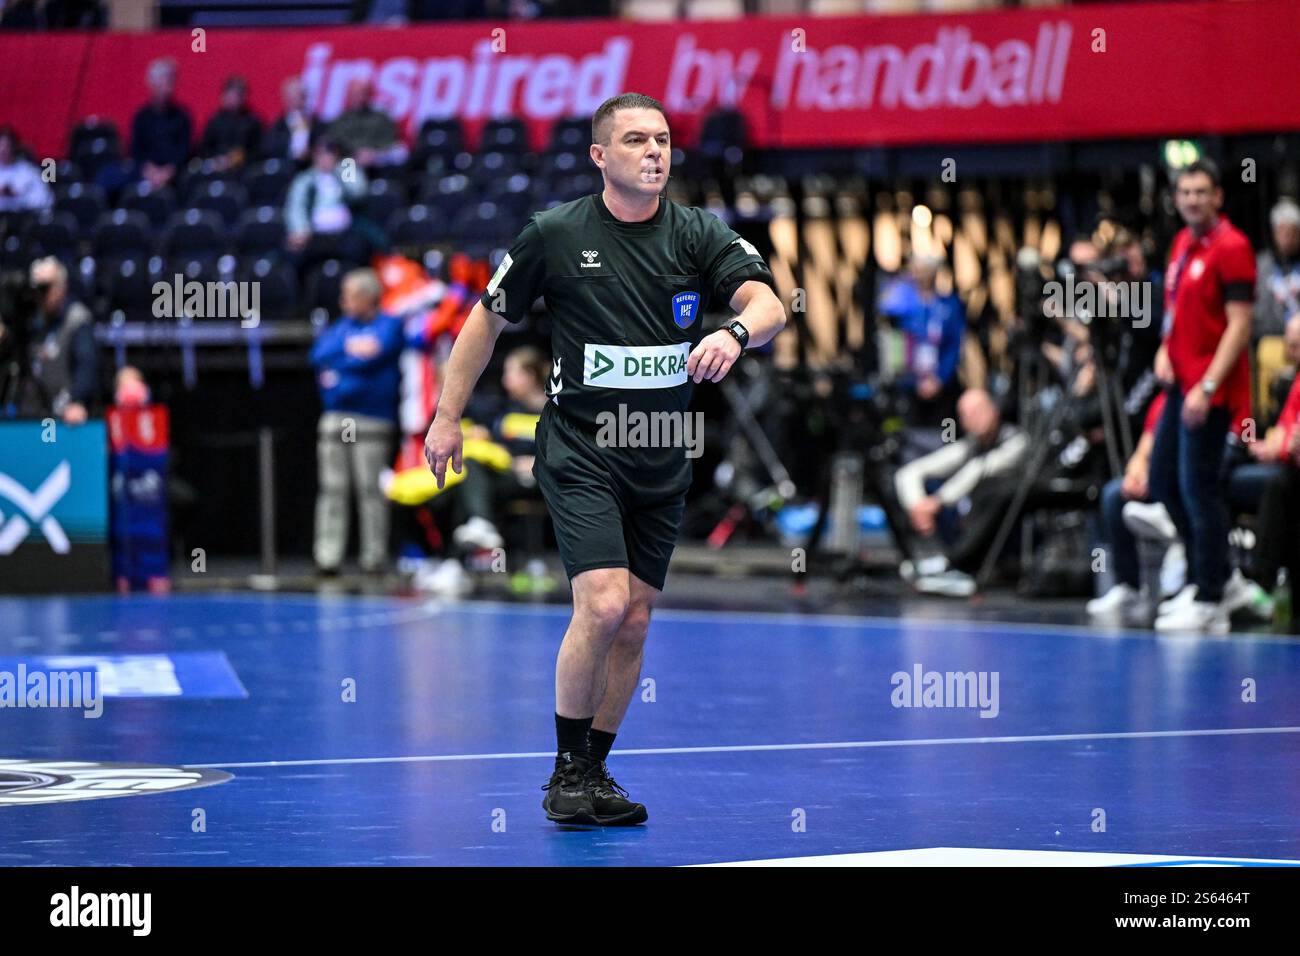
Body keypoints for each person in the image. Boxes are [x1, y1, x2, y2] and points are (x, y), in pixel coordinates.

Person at [423, 92, 784, 826]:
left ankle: (595, 771)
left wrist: (737, 332)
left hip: (662, 456)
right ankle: (563, 772)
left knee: (639, 618)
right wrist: (446, 417)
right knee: (606, 602)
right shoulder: (554, 234)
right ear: (600, 156)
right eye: (635, 141)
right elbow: (484, 323)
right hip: (583, 450)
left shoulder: (695, 233)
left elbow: (769, 300)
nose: (655, 152)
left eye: (662, 140)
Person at [1149, 159, 1256, 633]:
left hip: (1210, 393)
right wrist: (1164, 350)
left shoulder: (1233, 248)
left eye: (1201, 192)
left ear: (1218, 197)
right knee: (1164, 483)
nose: (1192, 199)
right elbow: (1175, 309)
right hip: (1180, 384)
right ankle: (1211, 575)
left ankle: (1212, 597)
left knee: (1199, 488)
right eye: (1185, 192)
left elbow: (1241, 326)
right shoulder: (1181, 244)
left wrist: (1208, 385)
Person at [310, 268, 404, 575]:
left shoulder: (389, 325)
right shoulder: (342, 328)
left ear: (367, 297)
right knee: (332, 489)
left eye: (349, 295)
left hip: (371, 421)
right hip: (335, 419)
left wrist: (340, 369)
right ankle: (328, 558)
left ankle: (373, 558)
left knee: (370, 490)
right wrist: (351, 351)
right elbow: (318, 355)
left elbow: (376, 355)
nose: (342, 301)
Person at [893, 387, 1030, 596]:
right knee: (929, 485)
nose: (974, 418)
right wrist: (918, 506)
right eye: (967, 414)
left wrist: (938, 501)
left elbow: (979, 469)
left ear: (995, 411)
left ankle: (952, 562)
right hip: (969, 526)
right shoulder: (968, 446)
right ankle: (947, 561)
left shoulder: (1017, 441)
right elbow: (910, 473)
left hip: (1010, 530)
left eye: (979, 410)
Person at [877, 252, 965, 426]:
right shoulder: (901, 303)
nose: (921, 275)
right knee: (909, 432)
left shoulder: (949, 305)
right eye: (917, 270)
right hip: (910, 384)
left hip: (942, 385)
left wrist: (940, 379)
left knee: (945, 432)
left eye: (926, 270)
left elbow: (954, 344)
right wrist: (913, 380)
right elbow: (895, 338)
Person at [8, 257, 99, 422]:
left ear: (61, 288)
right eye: (36, 288)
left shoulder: (77, 319)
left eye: (45, 288)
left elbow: (86, 368)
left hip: (66, 415)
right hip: (32, 416)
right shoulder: (30, 322)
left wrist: (76, 401)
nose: (39, 295)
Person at [284, 137, 370, 269]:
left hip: (344, 234)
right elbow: (296, 207)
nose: (324, 158)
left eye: (329, 153)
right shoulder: (305, 179)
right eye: (320, 154)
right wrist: (300, 230)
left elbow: (358, 192)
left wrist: (342, 166)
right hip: (314, 236)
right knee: (294, 256)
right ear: (314, 156)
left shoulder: (344, 171)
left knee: (359, 249)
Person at [128, 58, 191, 192]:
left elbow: (184, 151)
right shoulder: (141, 117)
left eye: (170, 82)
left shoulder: (183, 117)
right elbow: (136, 150)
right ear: (152, 84)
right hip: (145, 174)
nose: (167, 88)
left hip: (175, 177)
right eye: (162, 83)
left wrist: (167, 173)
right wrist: (150, 172)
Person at [327, 79, 408, 169]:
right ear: (348, 95)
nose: (357, 97)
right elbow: (335, 143)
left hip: (378, 163)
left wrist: (374, 153)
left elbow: (391, 141)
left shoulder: (382, 118)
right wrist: (356, 153)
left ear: (368, 95)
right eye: (354, 94)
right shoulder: (340, 121)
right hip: (349, 163)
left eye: (361, 93)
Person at [1253, 199, 1300, 341]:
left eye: (1292, 231)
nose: (1287, 237)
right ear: (1274, 232)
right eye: (1282, 230)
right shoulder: (1260, 264)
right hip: (1269, 340)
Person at [198, 75, 261, 172]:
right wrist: (217, 160)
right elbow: (204, 148)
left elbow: (257, 151)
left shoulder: (253, 122)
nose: (234, 98)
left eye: (239, 94)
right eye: (231, 93)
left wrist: (235, 159)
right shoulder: (214, 121)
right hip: (215, 167)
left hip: (243, 170)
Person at [262, 76, 320, 167]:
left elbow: (323, 146)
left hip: (310, 168)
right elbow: (269, 150)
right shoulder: (277, 126)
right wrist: (291, 151)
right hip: (284, 169)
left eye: (302, 96)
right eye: (294, 97)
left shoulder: (316, 124)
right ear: (286, 99)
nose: (299, 101)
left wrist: (310, 153)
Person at [0, 126, 52, 212]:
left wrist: (18, 197)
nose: (3, 150)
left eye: (6, 146)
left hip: (24, 218)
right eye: (0, 145)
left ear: (14, 148)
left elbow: (45, 199)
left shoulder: (29, 171)